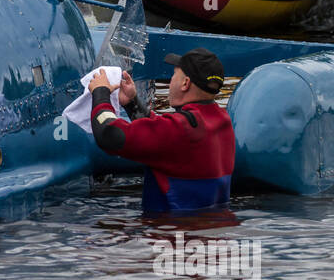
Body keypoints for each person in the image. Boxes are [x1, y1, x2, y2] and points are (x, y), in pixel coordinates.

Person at [88, 48, 235, 212]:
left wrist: (100, 93)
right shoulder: (222, 121)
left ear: (185, 83)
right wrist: (132, 103)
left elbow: (108, 135)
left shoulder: (183, 129)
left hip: (171, 231)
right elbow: (162, 140)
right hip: (208, 228)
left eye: (173, 75)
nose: (171, 81)